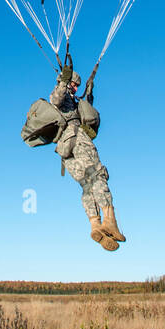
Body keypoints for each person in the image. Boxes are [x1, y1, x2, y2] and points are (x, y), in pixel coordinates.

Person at [48, 60, 125, 251]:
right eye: (74, 84)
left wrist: (89, 93)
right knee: (97, 175)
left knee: (87, 185)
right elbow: (57, 98)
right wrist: (64, 81)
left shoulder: (70, 101)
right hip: (78, 141)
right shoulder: (60, 94)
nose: (75, 87)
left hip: (65, 150)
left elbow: (81, 110)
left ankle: (95, 225)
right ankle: (110, 220)